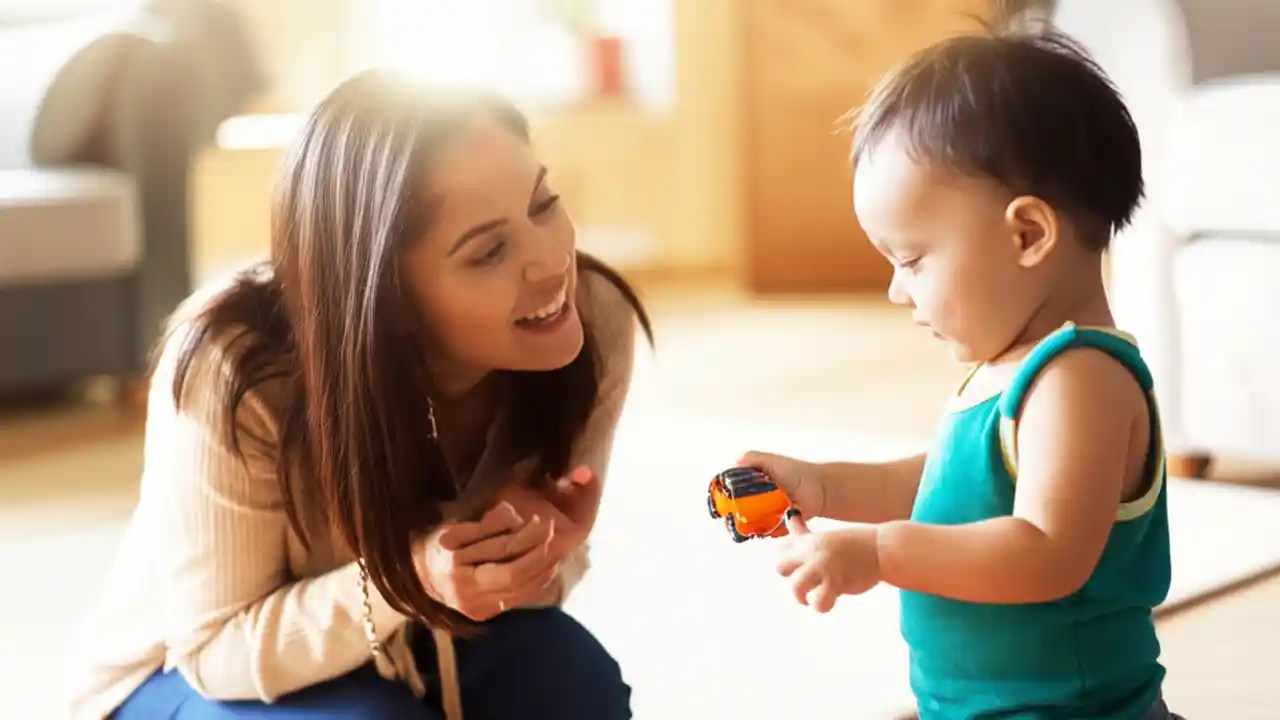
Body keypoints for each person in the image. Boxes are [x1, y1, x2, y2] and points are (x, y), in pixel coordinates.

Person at [67, 70, 650, 720]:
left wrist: (530, 555)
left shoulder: (589, 323)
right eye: (488, 252)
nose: (551, 261)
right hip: (181, 675)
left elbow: (529, 608)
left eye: (543, 204)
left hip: (426, 638)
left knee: (572, 688)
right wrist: (413, 578)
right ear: (386, 296)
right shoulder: (234, 367)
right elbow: (214, 652)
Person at [739, 29, 1183, 720]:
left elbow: (1045, 551)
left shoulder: (1081, 378)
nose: (896, 290)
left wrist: (881, 552)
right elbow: (946, 489)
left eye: (912, 260)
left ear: (1028, 235)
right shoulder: (1005, 369)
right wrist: (822, 484)